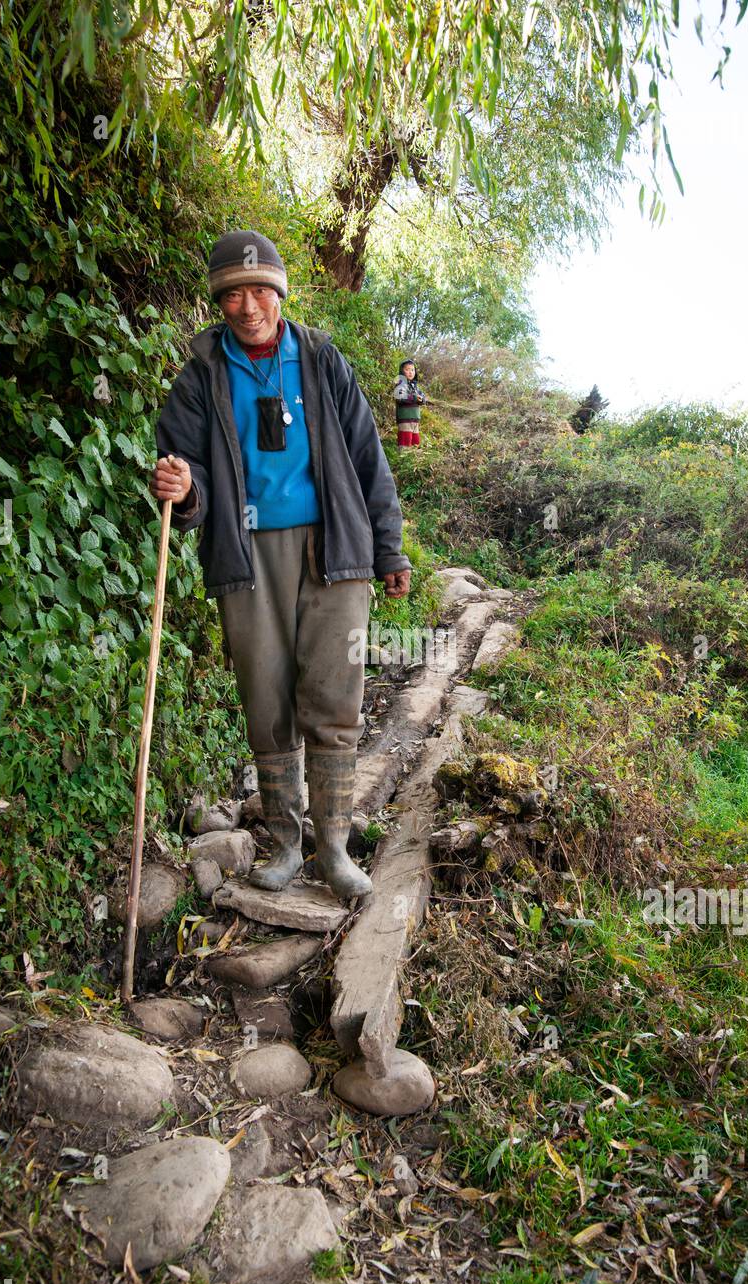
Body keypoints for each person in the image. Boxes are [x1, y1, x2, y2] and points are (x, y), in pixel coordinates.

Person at [150, 230, 412, 901]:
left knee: (334, 698)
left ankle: (334, 849)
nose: (246, 304)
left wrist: (389, 549)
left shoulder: (321, 360)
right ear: (219, 302)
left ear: (280, 293)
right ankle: (288, 845)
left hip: (334, 552)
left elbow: (367, 459)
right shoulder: (202, 375)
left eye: (259, 289)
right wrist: (184, 489)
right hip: (247, 556)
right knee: (267, 702)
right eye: (231, 293)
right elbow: (190, 467)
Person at [393, 359, 426, 446]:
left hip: (415, 419)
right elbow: (400, 398)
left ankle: (412, 458)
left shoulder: (414, 386)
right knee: (405, 444)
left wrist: (422, 399)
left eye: (412, 370)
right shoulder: (400, 384)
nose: (410, 372)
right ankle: (403, 459)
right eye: (407, 370)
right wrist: (415, 398)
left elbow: (422, 396)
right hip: (405, 419)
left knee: (415, 443)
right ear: (402, 371)